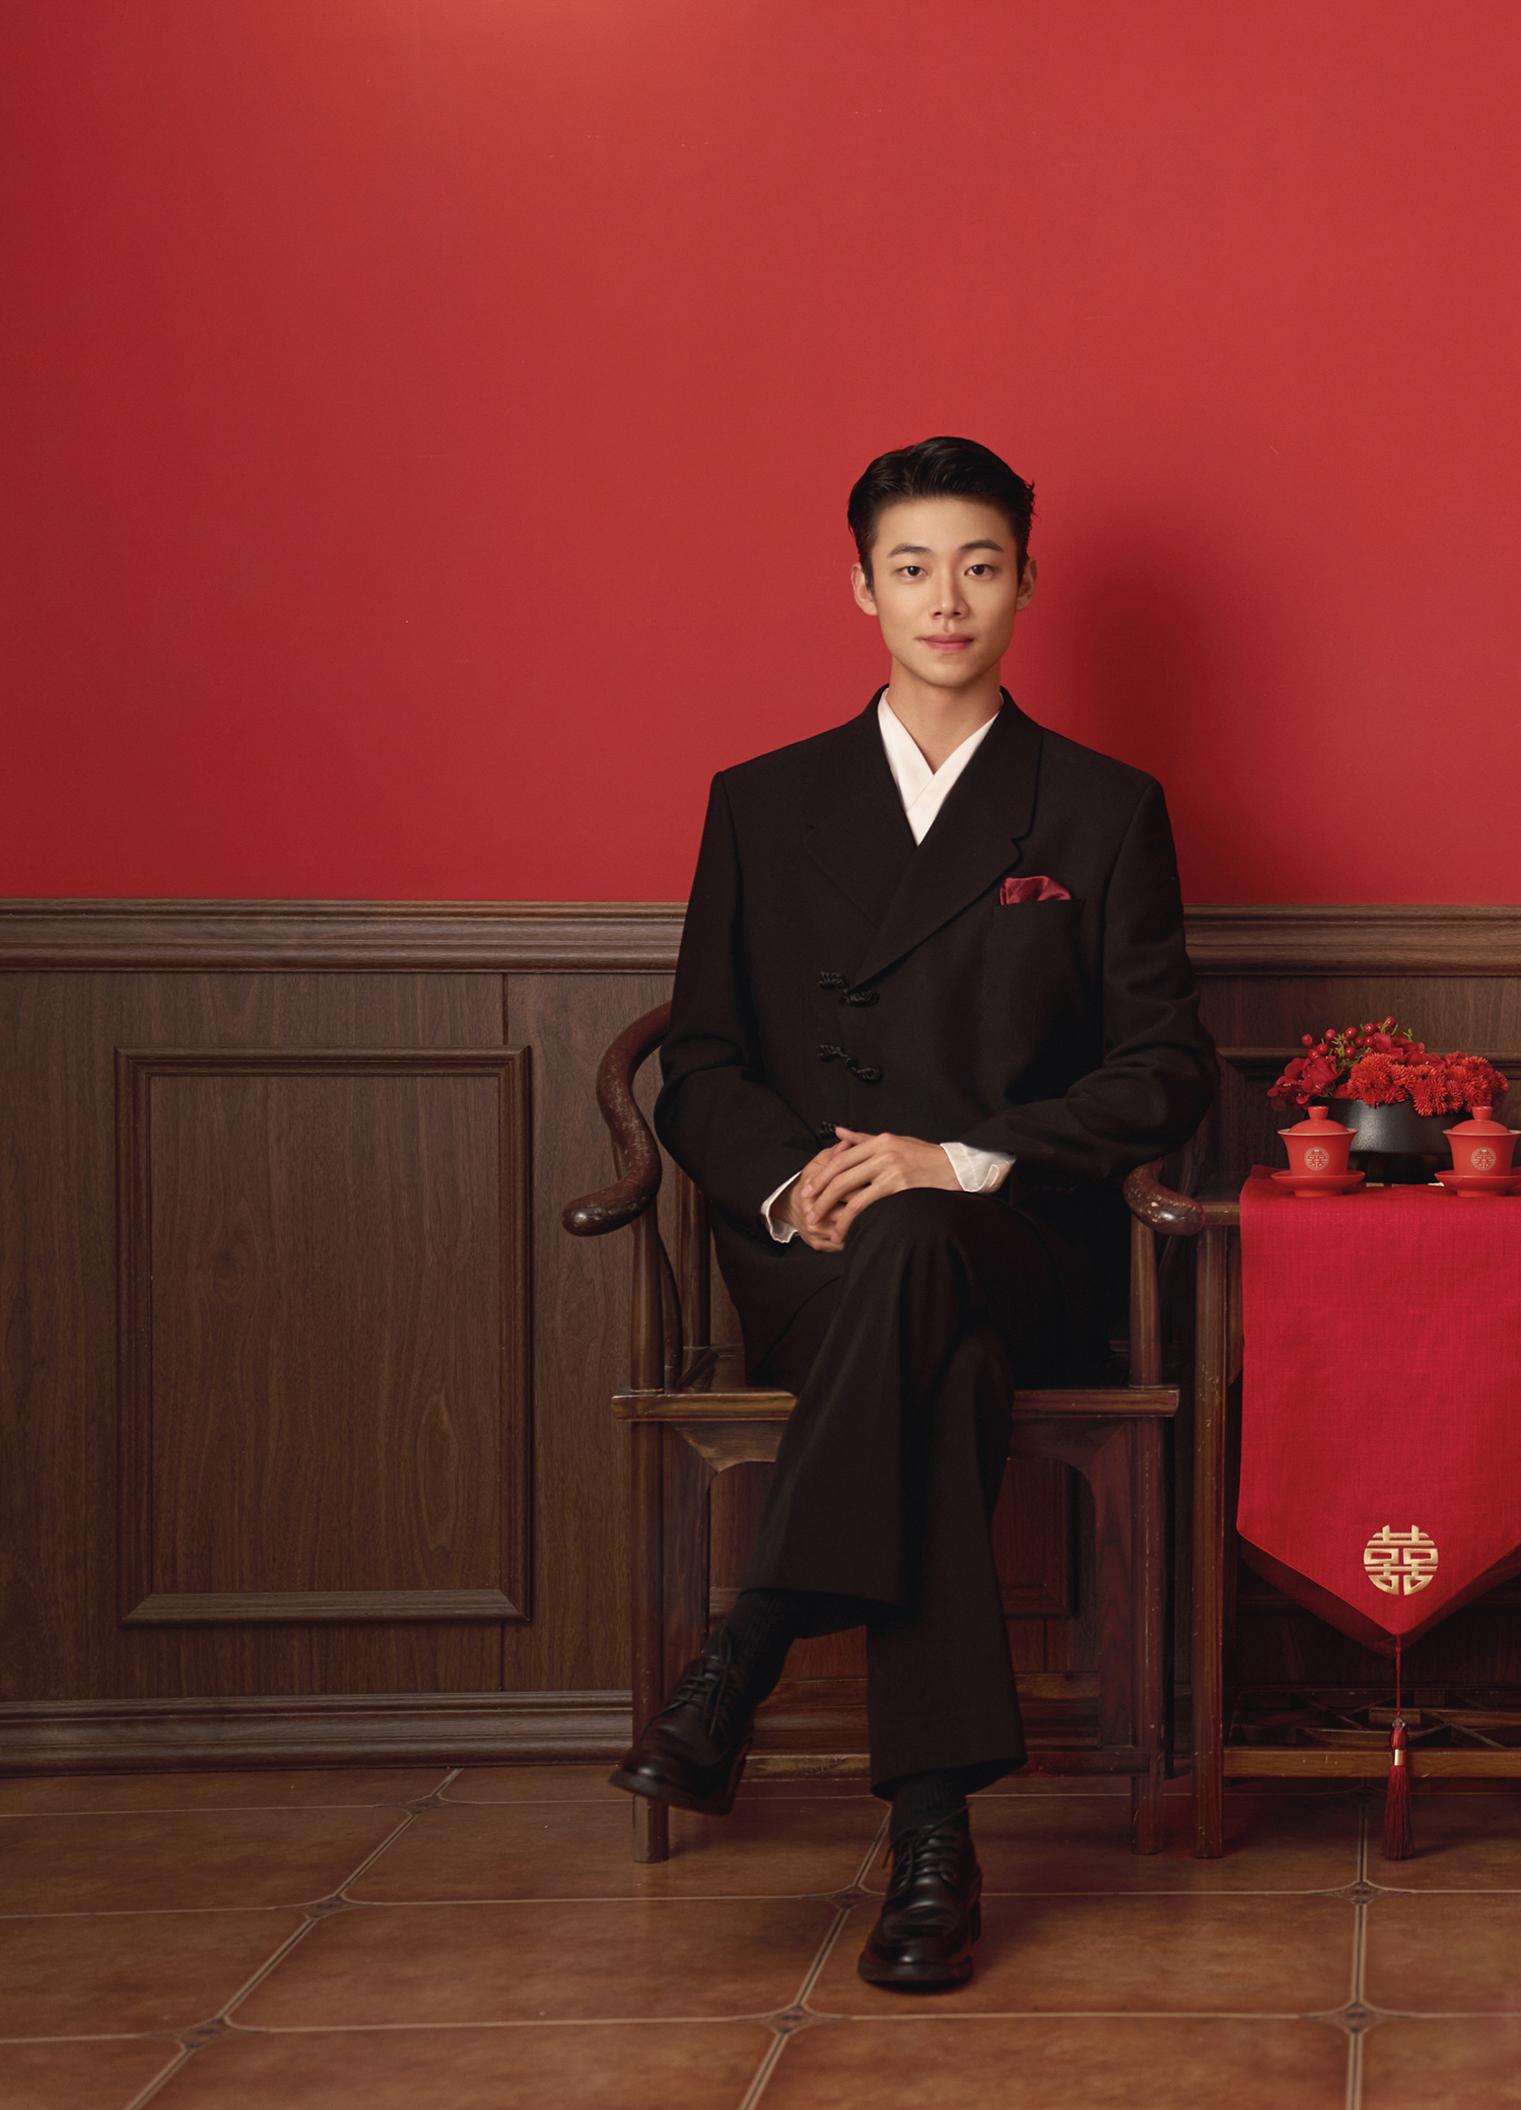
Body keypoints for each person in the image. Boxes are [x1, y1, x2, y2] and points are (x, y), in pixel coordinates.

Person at [611, 436, 1215, 1991]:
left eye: (979, 565)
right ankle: (929, 1829)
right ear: (861, 589)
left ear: (1025, 582)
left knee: (925, 1253)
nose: (947, 598)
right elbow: (701, 1061)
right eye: (912, 567)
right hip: (818, 1250)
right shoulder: (762, 802)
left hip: (1020, 1239)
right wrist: (791, 1178)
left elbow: (1165, 1070)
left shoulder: (1098, 806)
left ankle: (748, 1648)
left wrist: (961, 1155)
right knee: (924, 1338)